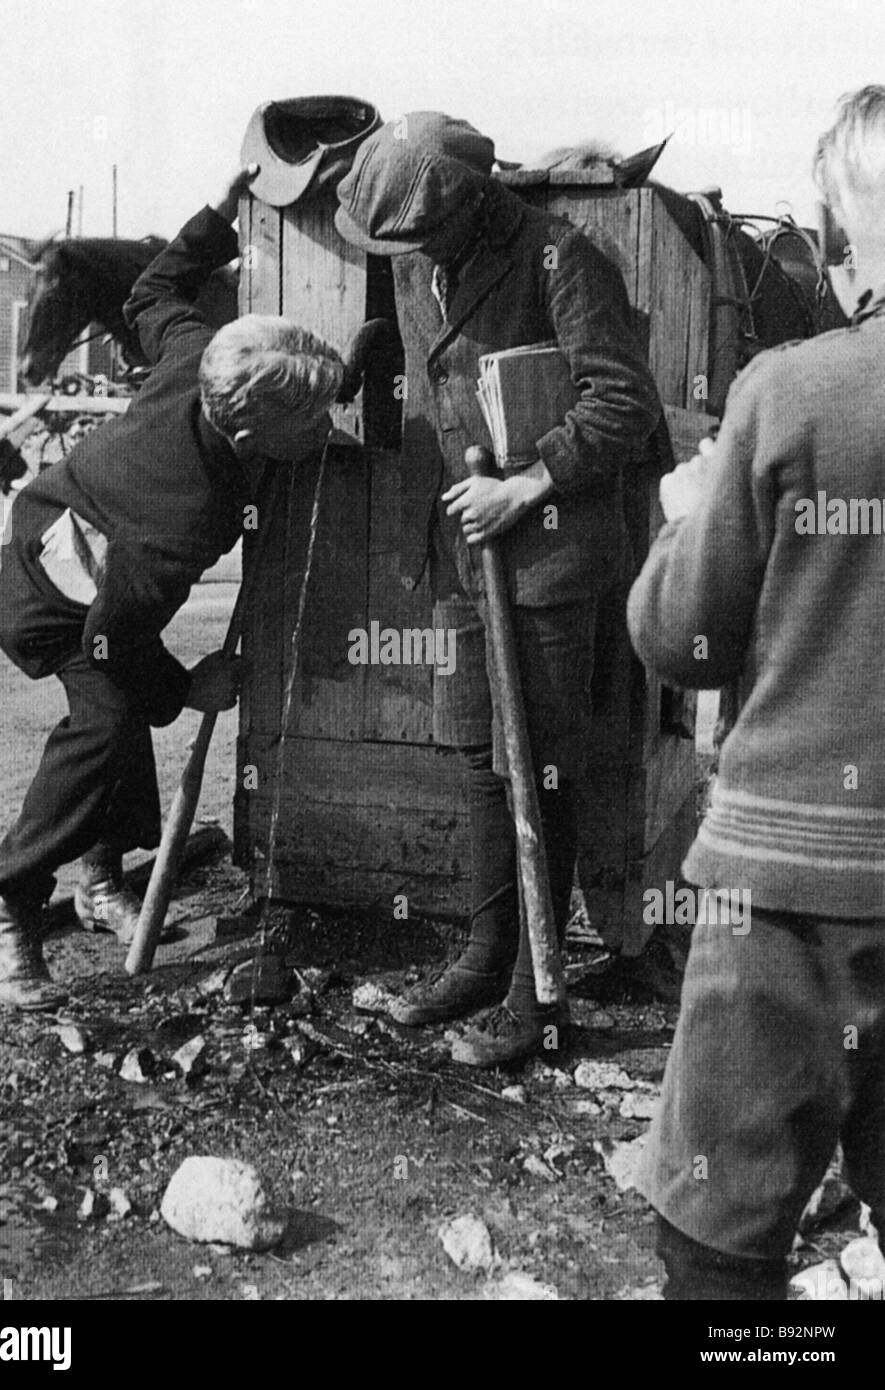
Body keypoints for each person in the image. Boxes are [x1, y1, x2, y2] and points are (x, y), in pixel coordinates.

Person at [627, 85, 885, 1299]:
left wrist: (689, 517)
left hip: (785, 894)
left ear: (840, 235)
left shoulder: (789, 393)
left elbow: (681, 643)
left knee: (717, 1242)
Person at [336, 112, 662, 1067]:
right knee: (481, 755)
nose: (405, 252)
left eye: (417, 235)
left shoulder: (563, 259)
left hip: (549, 555)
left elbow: (623, 402)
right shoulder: (409, 260)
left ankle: (538, 994)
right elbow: (435, 358)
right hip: (459, 548)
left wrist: (526, 482)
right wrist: (366, 356)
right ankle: (485, 956)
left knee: (542, 767)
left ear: (468, 205)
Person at [0, 163, 344, 1010]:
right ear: (251, 429)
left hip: (82, 550)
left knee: (124, 712)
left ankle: (100, 873)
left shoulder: (194, 357)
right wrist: (185, 687)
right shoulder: (180, 519)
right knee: (107, 724)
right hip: (51, 598)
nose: (323, 434)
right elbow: (113, 638)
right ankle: (8, 910)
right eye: (312, 423)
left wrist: (220, 211)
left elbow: (154, 287)